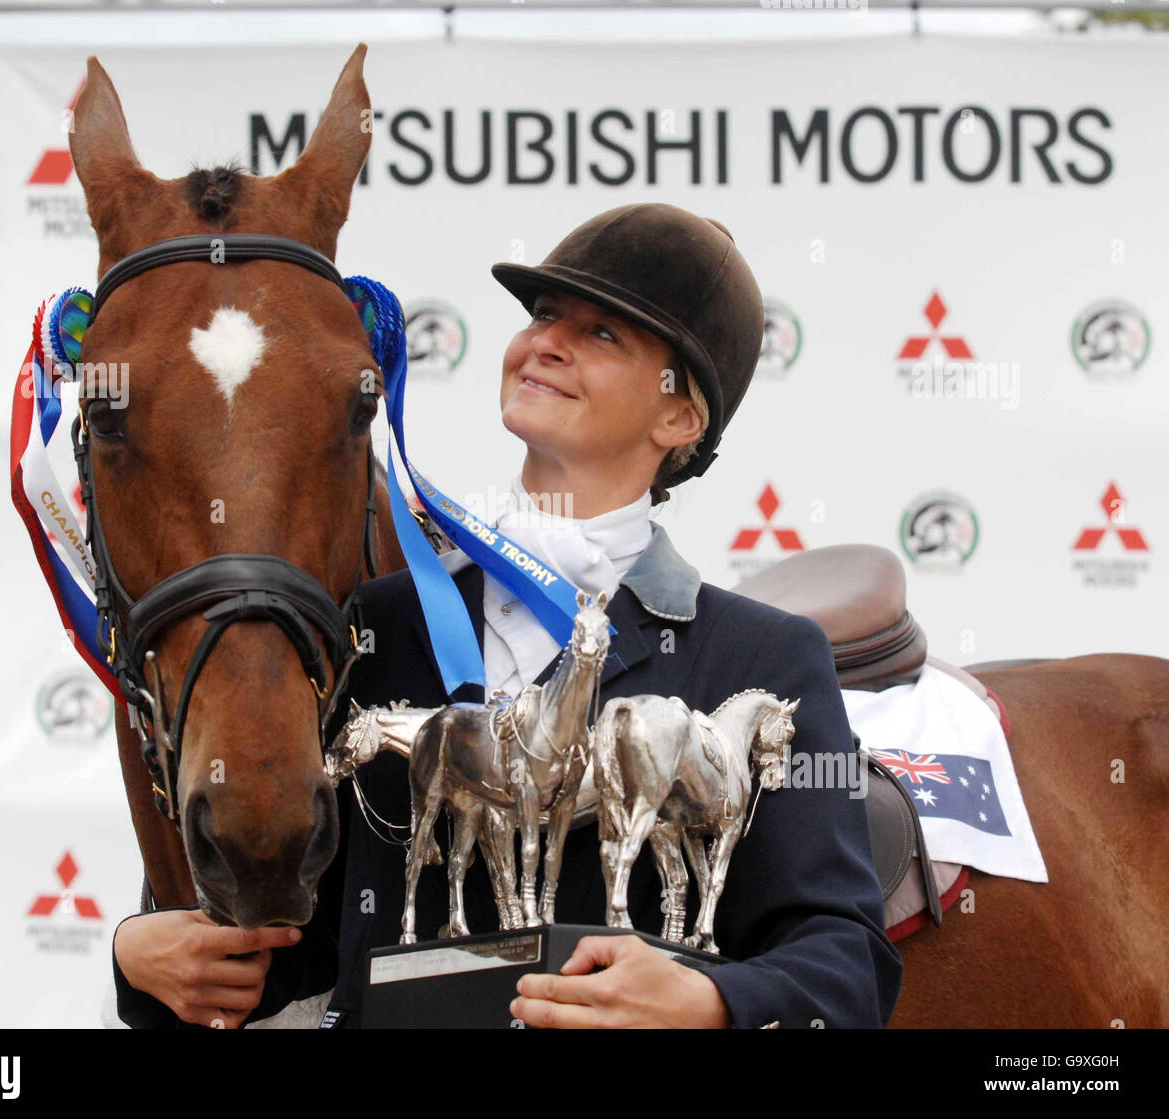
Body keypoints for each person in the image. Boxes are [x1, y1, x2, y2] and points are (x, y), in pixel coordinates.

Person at [111, 202, 903, 1029]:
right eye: (546, 314)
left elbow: (847, 967)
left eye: (604, 335)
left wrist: (707, 998)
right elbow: (292, 939)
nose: (547, 341)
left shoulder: (763, 657)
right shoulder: (376, 626)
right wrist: (146, 958)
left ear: (679, 416)